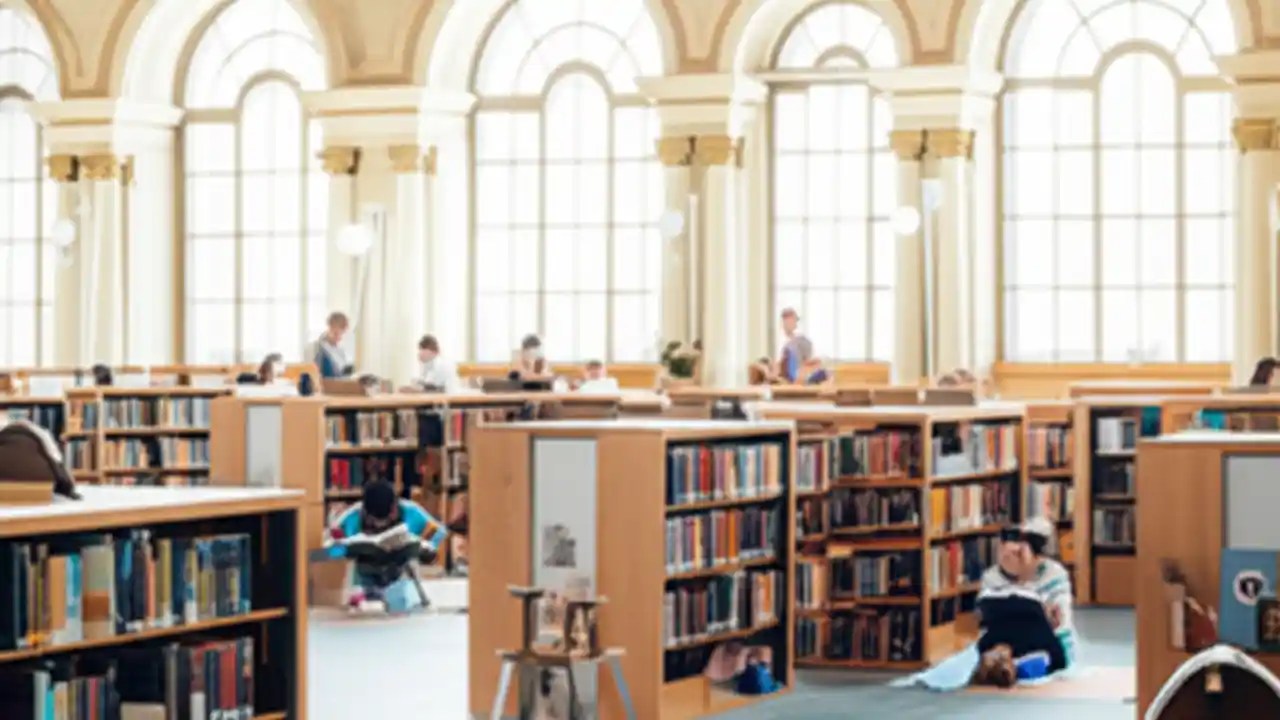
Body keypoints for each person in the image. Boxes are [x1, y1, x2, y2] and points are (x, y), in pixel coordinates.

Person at [975, 517, 1077, 684]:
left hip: (1043, 640)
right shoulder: (991, 576)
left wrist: (1049, 614)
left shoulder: (1054, 574)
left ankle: (1007, 665)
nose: (1010, 559)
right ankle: (999, 660)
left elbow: (1061, 623)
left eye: (1019, 554)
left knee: (1040, 657)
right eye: (1005, 554)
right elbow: (984, 622)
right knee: (994, 643)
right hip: (1003, 635)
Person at [326, 480, 448, 608]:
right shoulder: (350, 518)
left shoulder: (411, 512)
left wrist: (425, 546)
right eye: (374, 520)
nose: (381, 525)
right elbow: (329, 549)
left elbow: (437, 533)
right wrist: (344, 549)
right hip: (362, 579)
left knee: (402, 595)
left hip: (401, 575)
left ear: (395, 505)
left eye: (387, 518)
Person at [314, 312, 353, 379]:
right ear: (329, 328)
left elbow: (343, 373)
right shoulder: (319, 349)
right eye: (335, 333)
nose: (339, 337)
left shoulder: (340, 350)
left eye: (342, 333)